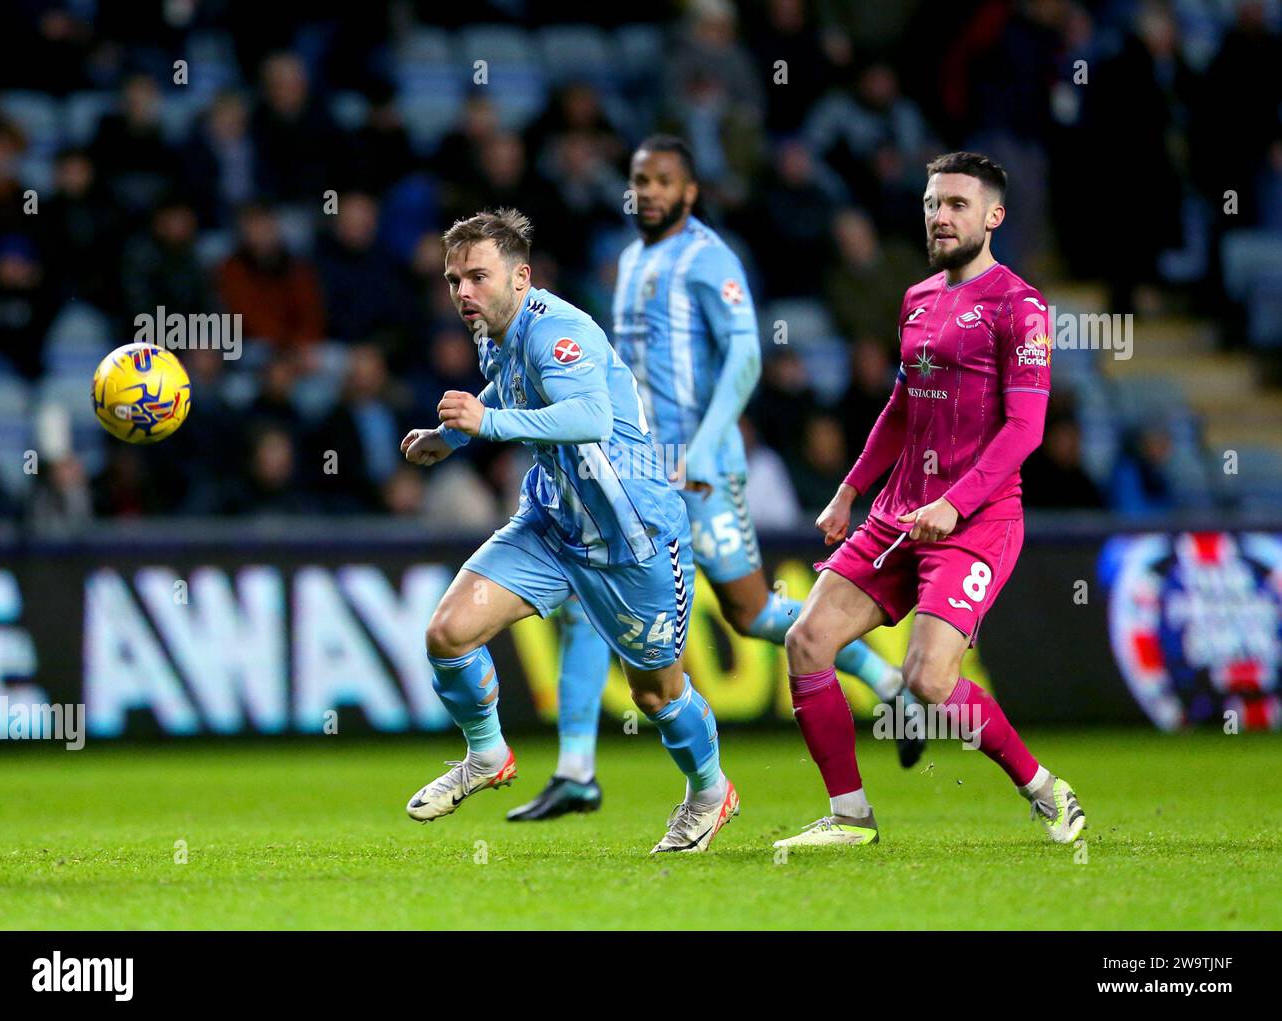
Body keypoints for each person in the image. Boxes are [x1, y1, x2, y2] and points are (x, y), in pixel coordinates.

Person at [508, 135, 918, 825]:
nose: (649, 191)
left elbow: (747, 355)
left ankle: (888, 682)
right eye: (640, 179)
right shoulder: (632, 258)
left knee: (752, 613)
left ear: (690, 191)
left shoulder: (710, 256)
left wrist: (703, 446)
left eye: (664, 180)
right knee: (585, 594)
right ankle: (576, 770)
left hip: (700, 467)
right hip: (637, 467)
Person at [400, 208, 739, 854]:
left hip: (633, 537)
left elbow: (588, 416)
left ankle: (709, 790)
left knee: (656, 693)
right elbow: (506, 389)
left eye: (477, 276)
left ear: (520, 277)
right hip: (553, 523)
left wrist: (484, 426)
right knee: (447, 634)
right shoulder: (493, 331)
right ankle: (487, 754)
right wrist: (448, 438)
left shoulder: (560, 331)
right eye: (453, 280)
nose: (463, 292)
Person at [776, 152, 1086, 848]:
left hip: (976, 520)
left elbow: (1026, 427)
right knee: (807, 640)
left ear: (993, 217)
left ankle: (1045, 789)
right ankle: (851, 817)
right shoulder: (918, 298)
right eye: (932, 204)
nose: (941, 217)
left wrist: (957, 502)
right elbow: (901, 405)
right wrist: (849, 491)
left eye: (956, 205)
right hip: (897, 510)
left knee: (927, 679)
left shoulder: (1021, 306)